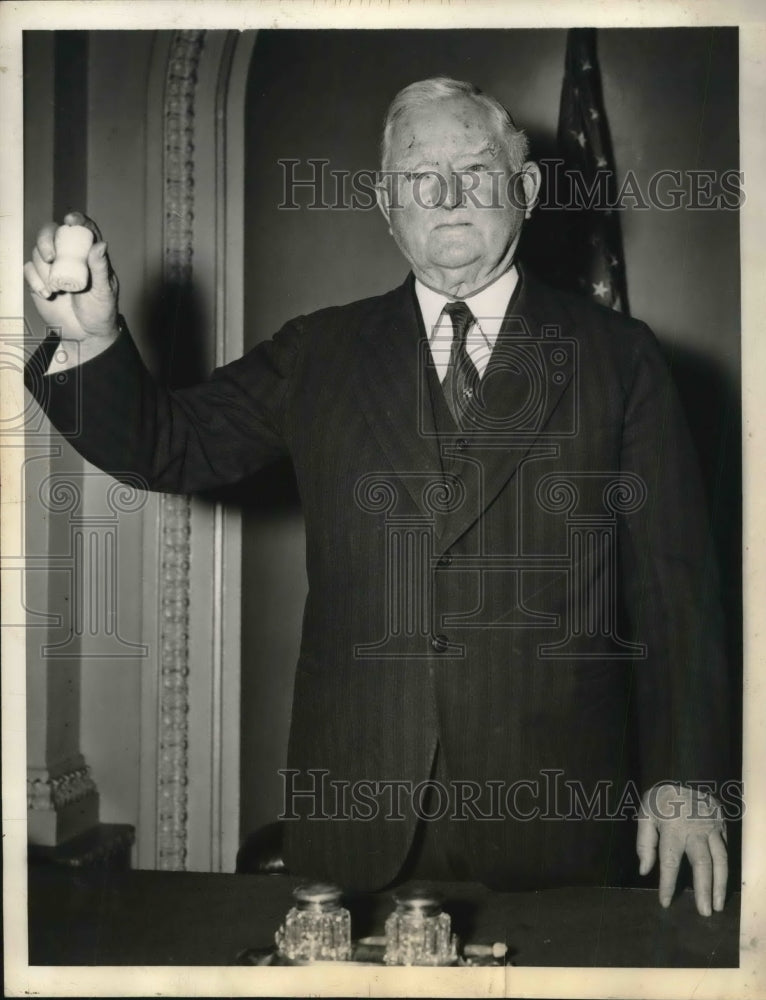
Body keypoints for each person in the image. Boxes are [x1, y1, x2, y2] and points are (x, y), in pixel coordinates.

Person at [24, 77, 730, 913]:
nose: (448, 194)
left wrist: (685, 780)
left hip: (557, 819)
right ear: (384, 203)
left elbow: (674, 589)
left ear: (528, 189)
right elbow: (164, 444)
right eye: (417, 176)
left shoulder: (621, 359)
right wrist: (93, 338)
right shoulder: (319, 353)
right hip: (356, 821)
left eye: (475, 166)